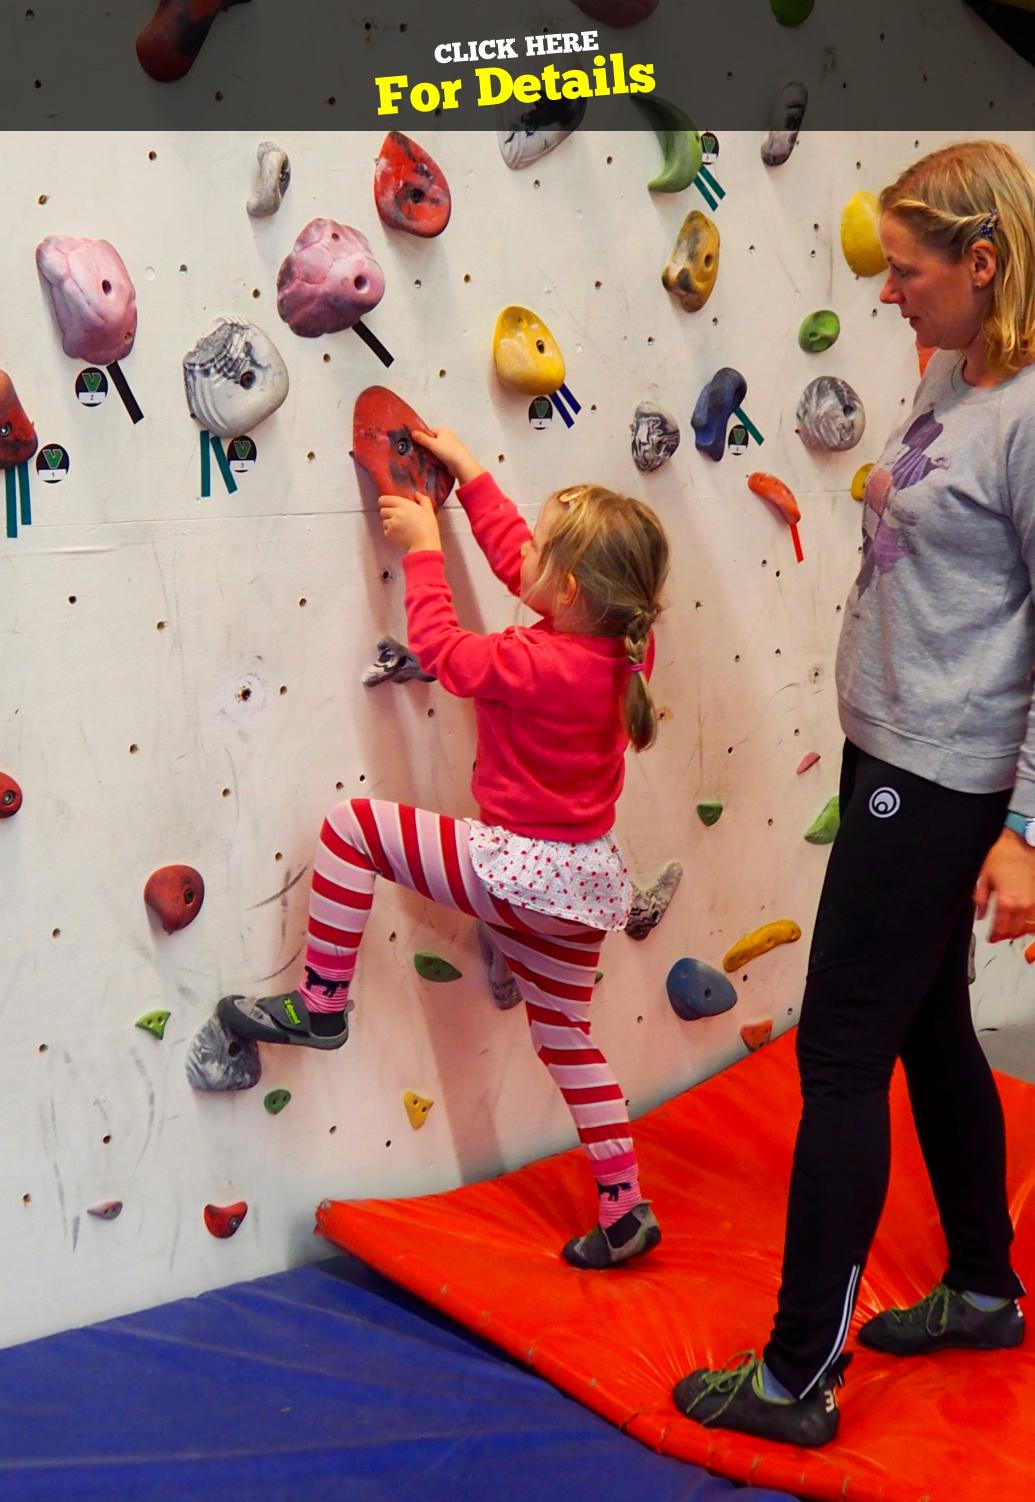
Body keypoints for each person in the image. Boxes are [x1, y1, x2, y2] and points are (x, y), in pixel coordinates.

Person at [674, 138, 1035, 1446]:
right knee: (926, 1019)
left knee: (837, 1055)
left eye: (907, 273)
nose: (889, 296)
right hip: (897, 749)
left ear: (978, 262)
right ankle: (987, 1288)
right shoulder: (957, 362)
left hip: (943, 777)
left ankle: (788, 1377)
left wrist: (1025, 834)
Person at [218, 427, 671, 1269]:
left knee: (354, 828)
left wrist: (424, 551)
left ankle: (320, 1004)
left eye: (540, 551)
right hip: (582, 890)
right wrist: (470, 477)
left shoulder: (534, 660)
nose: (520, 555)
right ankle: (624, 1207)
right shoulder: (619, 646)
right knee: (568, 1039)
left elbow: (444, 654)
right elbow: (522, 567)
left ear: (565, 590)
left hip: (518, 875)